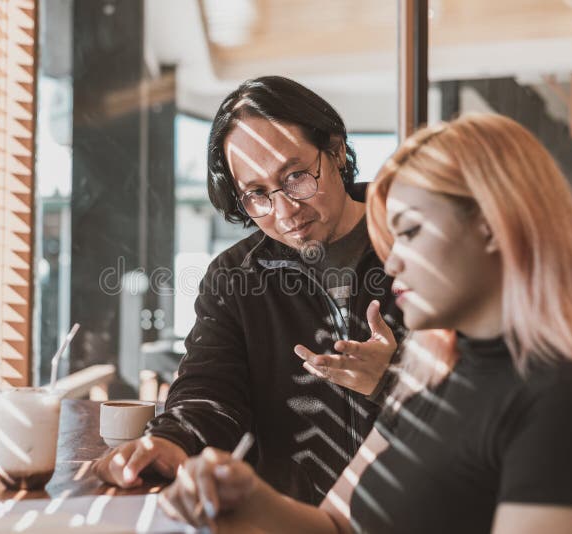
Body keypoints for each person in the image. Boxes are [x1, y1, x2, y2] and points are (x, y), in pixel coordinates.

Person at [159, 113, 572, 534]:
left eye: (407, 232)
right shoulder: (431, 377)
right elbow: (334, 526)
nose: (390, 263)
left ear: (491, 222)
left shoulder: (565, 405)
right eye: (258, 194)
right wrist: (248, 496)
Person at [94, 76, 404, 504]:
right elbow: (210, 388)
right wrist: (172, 440)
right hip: (289, 523)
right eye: (257, 194)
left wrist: (393, 381)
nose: (285, 211)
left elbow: (492, 390)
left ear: (334, 150)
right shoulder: (234, 277)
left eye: (295, 176)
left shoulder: (415, 242)